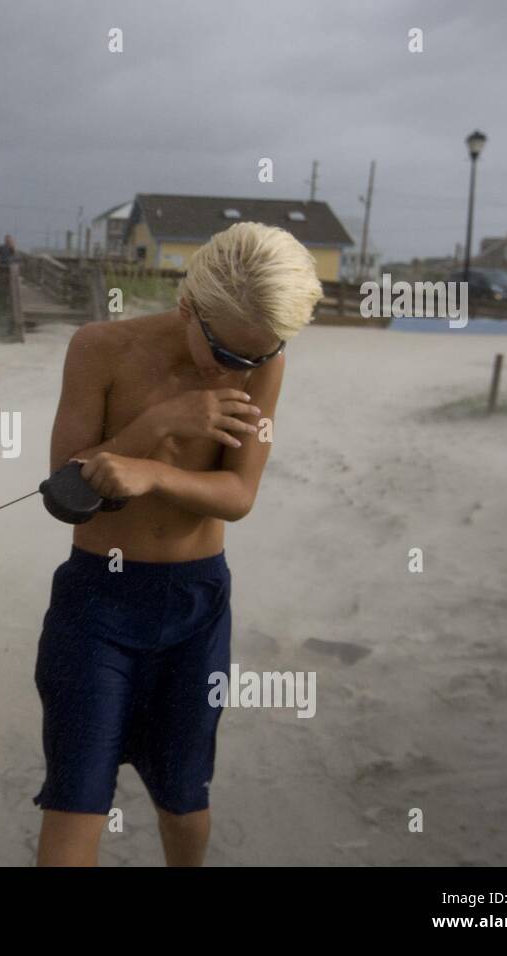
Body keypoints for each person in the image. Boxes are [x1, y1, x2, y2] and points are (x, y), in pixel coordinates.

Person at [34, 221, 323, 866]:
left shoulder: (263, 362)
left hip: (197, 606)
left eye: (255, 359)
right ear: (189, 304)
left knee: (185, 796)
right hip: (97, 606)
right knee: (75, 798)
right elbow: (63, 494)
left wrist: (157, 472)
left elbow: (240, 494)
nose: (234, 371)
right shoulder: (99, 347)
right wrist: (156, 427)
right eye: (224, 354)